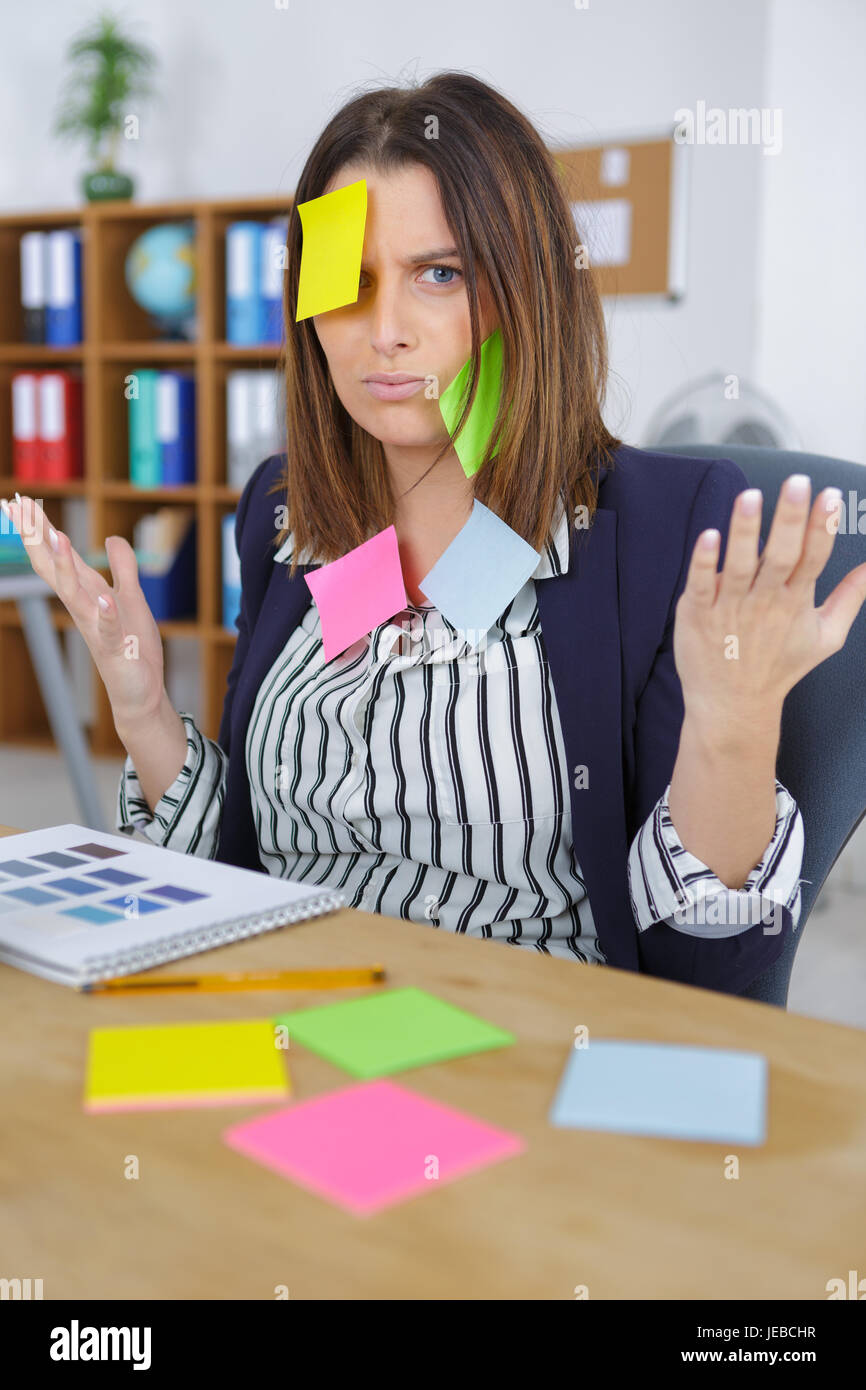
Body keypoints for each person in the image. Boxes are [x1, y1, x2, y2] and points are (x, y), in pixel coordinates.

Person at [4, 73, 865, 996]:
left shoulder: (664, 527)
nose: (384, 332)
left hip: (518, 1047)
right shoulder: (286, 513)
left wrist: (732, 730)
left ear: (526, 288)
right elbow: (238, 864)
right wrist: (139, 707)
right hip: (283, 1014)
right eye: (352, 282)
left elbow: (710, 972)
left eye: (439, 275)